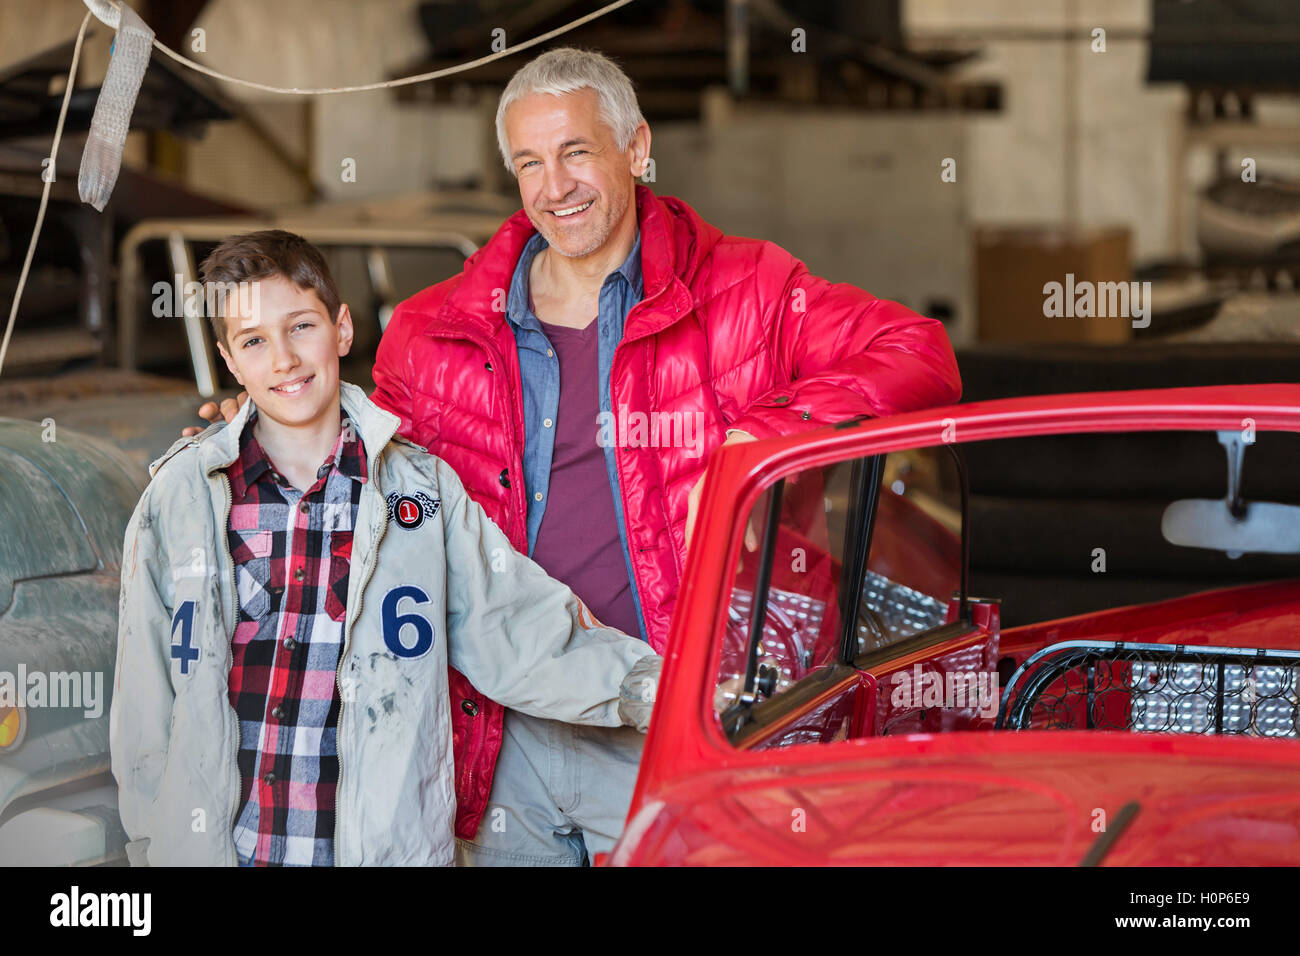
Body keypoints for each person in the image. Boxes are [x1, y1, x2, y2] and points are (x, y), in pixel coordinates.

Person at [192, 47, 962, 866]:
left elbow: (917, 351)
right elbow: (371, 467)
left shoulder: (749, 289)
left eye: (576, 152)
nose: (554, 186)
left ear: (636, 148)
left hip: (672, 715)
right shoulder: (435, 330)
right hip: (500, 732)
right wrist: (266, 420)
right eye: (529, 162)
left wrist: (760, 440)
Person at [116, 229, 661, 866]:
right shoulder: (179, 499)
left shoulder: (420, 494)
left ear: (342, 329)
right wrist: (153, 850)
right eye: (254, 342)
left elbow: (514, 625)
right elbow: (144, 706)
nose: (284, 360)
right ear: (230, 363)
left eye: (301, 327)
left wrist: (652, 689)